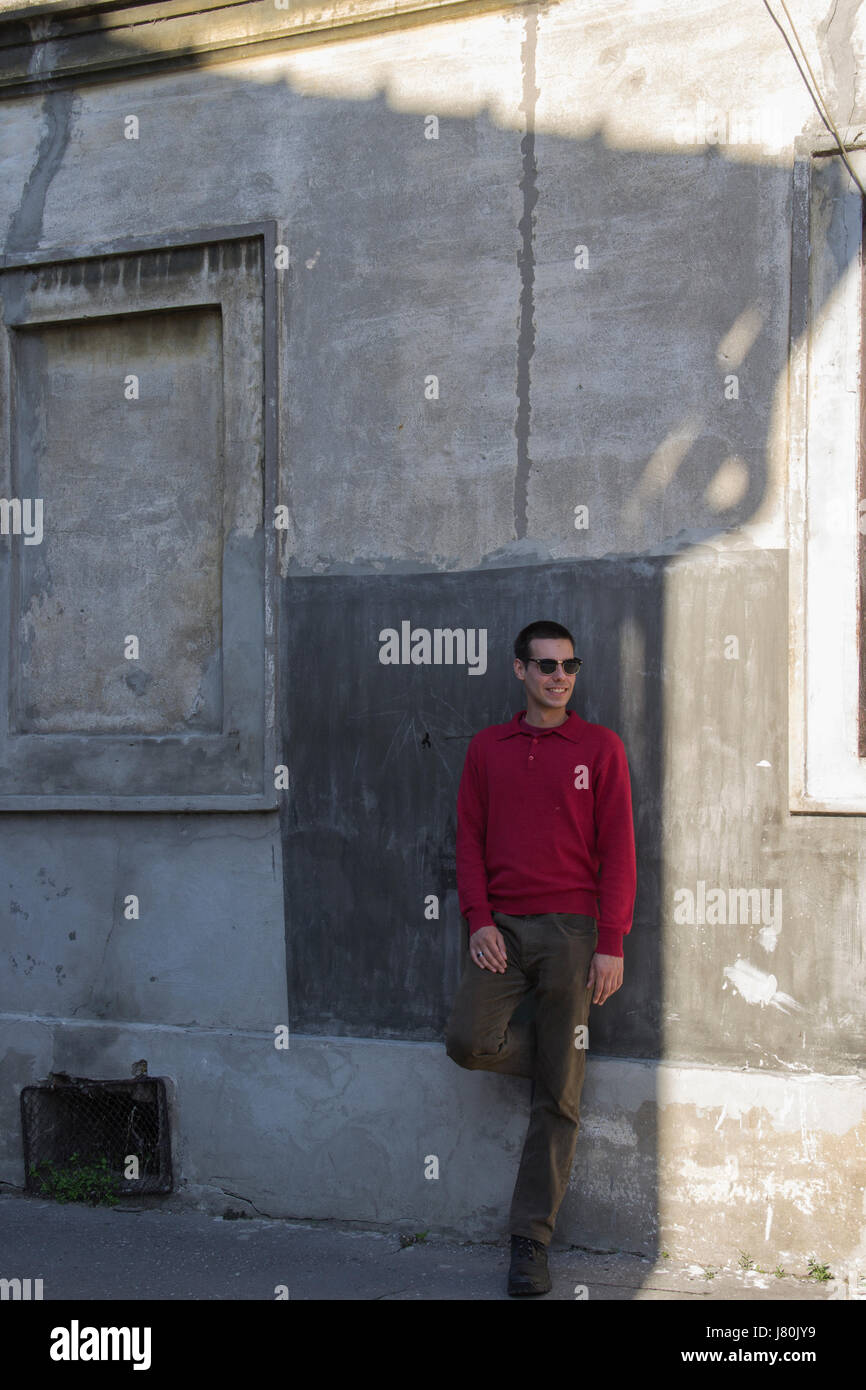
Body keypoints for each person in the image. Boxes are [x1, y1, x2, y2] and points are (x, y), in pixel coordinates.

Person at [445, 619, 637, 1296]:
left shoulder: (600, 748)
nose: (560, 676)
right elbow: (468, 838)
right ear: (520, 671)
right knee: (470, 1042)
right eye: (547, 665)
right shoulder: (487, 749)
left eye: (570, 665)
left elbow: (619, 850)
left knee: (558, 1104)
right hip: (503, 929)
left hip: (573, 933)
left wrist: (611, 941)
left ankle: (530, 1243)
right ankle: (559, 1058)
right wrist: (478, 919)